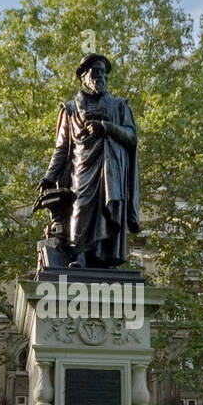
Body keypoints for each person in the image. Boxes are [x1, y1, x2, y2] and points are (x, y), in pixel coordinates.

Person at [36, 54, 140, 269]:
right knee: (80, 208)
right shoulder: (71, 109)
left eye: (103, 72)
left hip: (112, 170)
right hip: (81, 169)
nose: (100, 76)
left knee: (108, 210)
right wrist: (49, 177)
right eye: (95, 71)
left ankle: (106, 260)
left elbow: (131, 137)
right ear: (83, 77)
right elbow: (62, 148)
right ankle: (80, 256)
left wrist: (107, 127)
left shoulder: (119, 106)